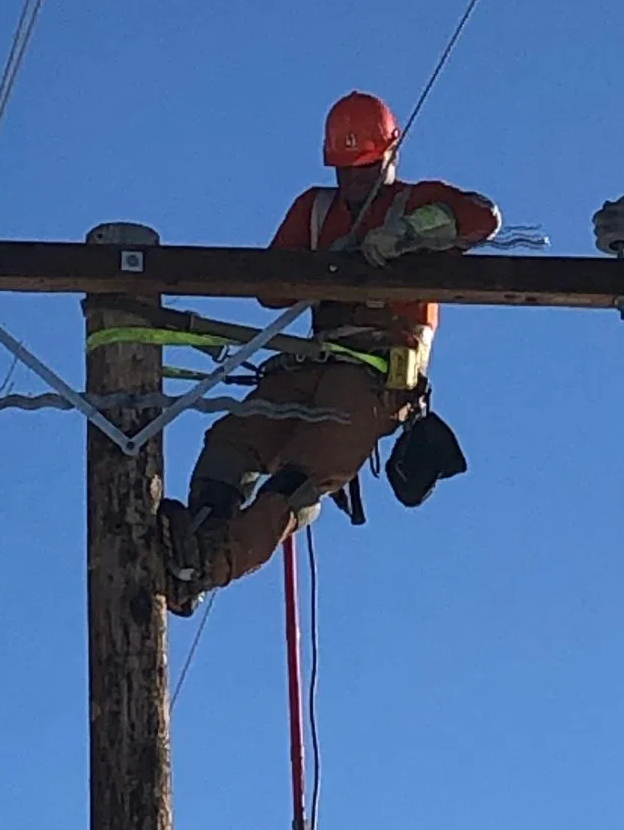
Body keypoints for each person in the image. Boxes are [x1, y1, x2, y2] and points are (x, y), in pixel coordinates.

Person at [157, 91, 501, 615]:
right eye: (346, 169)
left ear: (391, 153)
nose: (356, 181)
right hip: (309, 360)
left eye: (365, 167)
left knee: (300, 476)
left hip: (374, 373)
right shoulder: (315, 210)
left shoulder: (414, 201)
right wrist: (323, 266)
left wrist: (409, 235)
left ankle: (210, 563)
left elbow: (482, 218)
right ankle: (195, 533)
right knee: (231, 443)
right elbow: (270, 288)